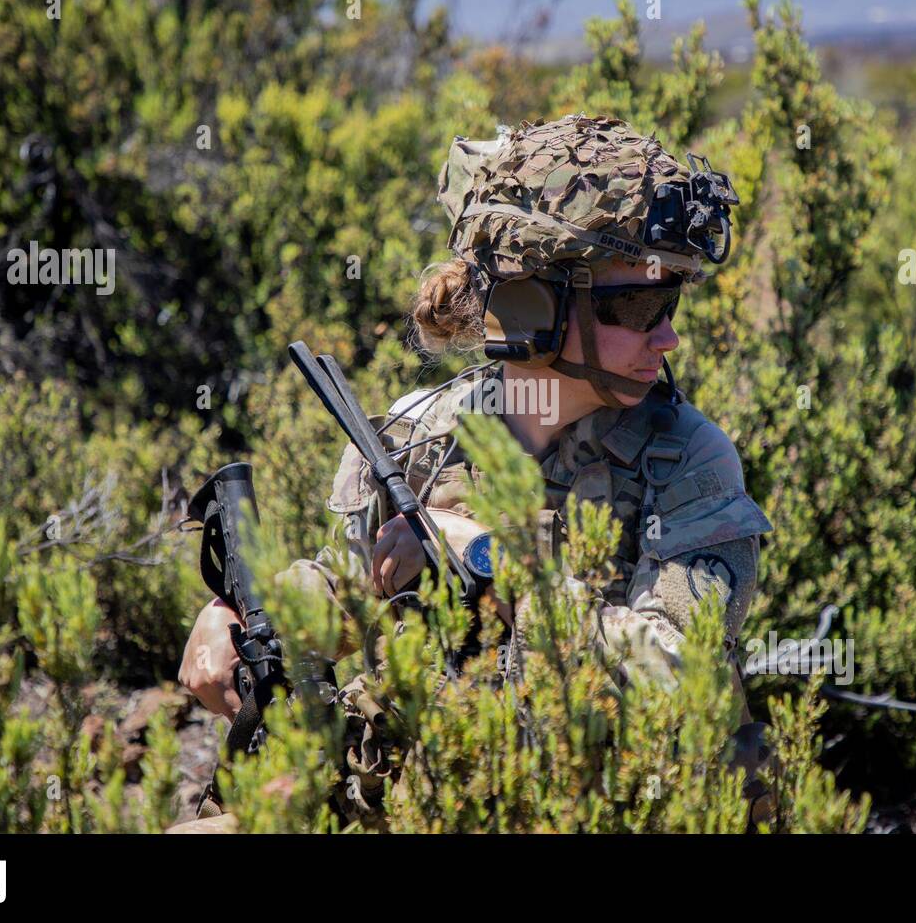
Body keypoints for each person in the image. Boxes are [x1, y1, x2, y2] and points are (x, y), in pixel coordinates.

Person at [178, 113, 775, 824]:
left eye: (670, 299)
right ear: (533, 303)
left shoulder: (689, 463)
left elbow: (682, 685)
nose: (668, 334)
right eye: (641, 304)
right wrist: (241, 622)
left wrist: (490, 561)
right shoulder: (414, 437)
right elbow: (352, 592)